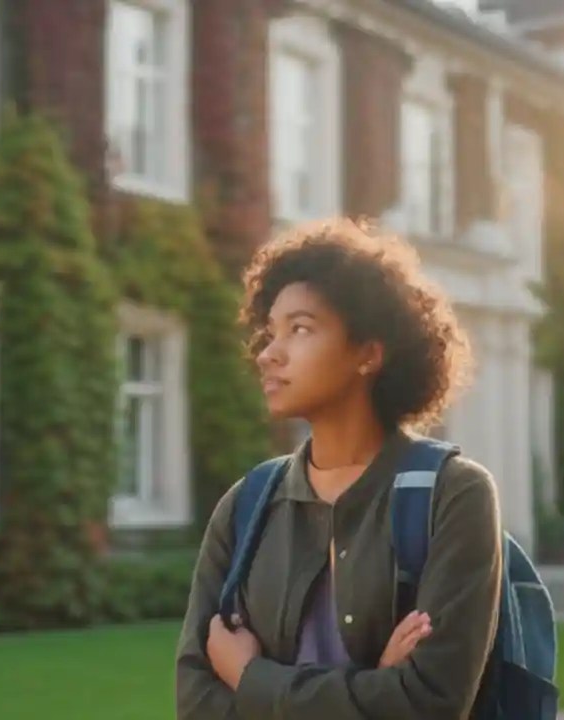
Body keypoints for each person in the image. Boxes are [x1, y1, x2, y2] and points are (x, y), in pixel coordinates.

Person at [175, 219, 503, 720]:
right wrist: (374, 684)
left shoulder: (454, 494)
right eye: (270, 333)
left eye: (300, 329)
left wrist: (249, 676)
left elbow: (429, 704)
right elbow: (197, 704)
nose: (268, 354)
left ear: (368, 353)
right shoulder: (246, 505)